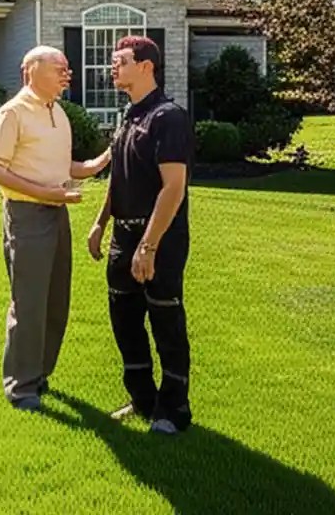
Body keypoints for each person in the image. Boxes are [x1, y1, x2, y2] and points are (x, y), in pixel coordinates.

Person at [0, 46, 111, 412]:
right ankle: (21, 388)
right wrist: (44, 192)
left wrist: (100, 161)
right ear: (30, 72)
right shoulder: (13, 113)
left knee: (56, 302)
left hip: (57, 214)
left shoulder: (59, 113)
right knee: (30, 302)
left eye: (67, 69)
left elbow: (60, 165)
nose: (66, 74)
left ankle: (39, 375)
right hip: (27, 215)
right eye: (59, 68)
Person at [86, 35, 195, 435]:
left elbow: (173, 188)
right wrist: (101, 222)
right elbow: (118, 177)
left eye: (120, 61)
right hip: (122, 237)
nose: (112, 68)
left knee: (165, 321)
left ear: (146, 65)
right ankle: (142, 399)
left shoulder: (168, 117)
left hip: (159, 240)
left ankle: (173, 410)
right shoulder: (128, 116)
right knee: (126, 321)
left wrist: (148, 246)